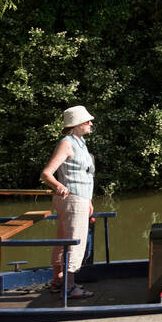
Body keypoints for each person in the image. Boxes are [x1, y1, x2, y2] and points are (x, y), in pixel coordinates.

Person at [39, 106, 96, 298]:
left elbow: (85, 174)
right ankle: (69, 287)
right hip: (71, 199)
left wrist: (88, 200)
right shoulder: (66, 143)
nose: (90, 123)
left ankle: (57, 282)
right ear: (76, 125)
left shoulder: (80, 142)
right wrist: (58, 186)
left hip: (79, 199)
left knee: (63, 239)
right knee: (74, 242)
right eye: (87, 121)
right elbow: (46, 174)